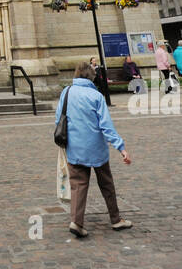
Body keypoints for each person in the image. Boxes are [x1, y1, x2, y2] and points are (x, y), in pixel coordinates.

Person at [54, 62, 133, 239]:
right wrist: (121, 147)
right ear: (91, 77)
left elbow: (58, 119)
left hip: (74, 148)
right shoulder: (96, 96)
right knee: (106, 184)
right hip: (96, 149)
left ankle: (76, 221)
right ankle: (115, 219)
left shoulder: (66, 93)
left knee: (78, 186)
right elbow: (106, 126)